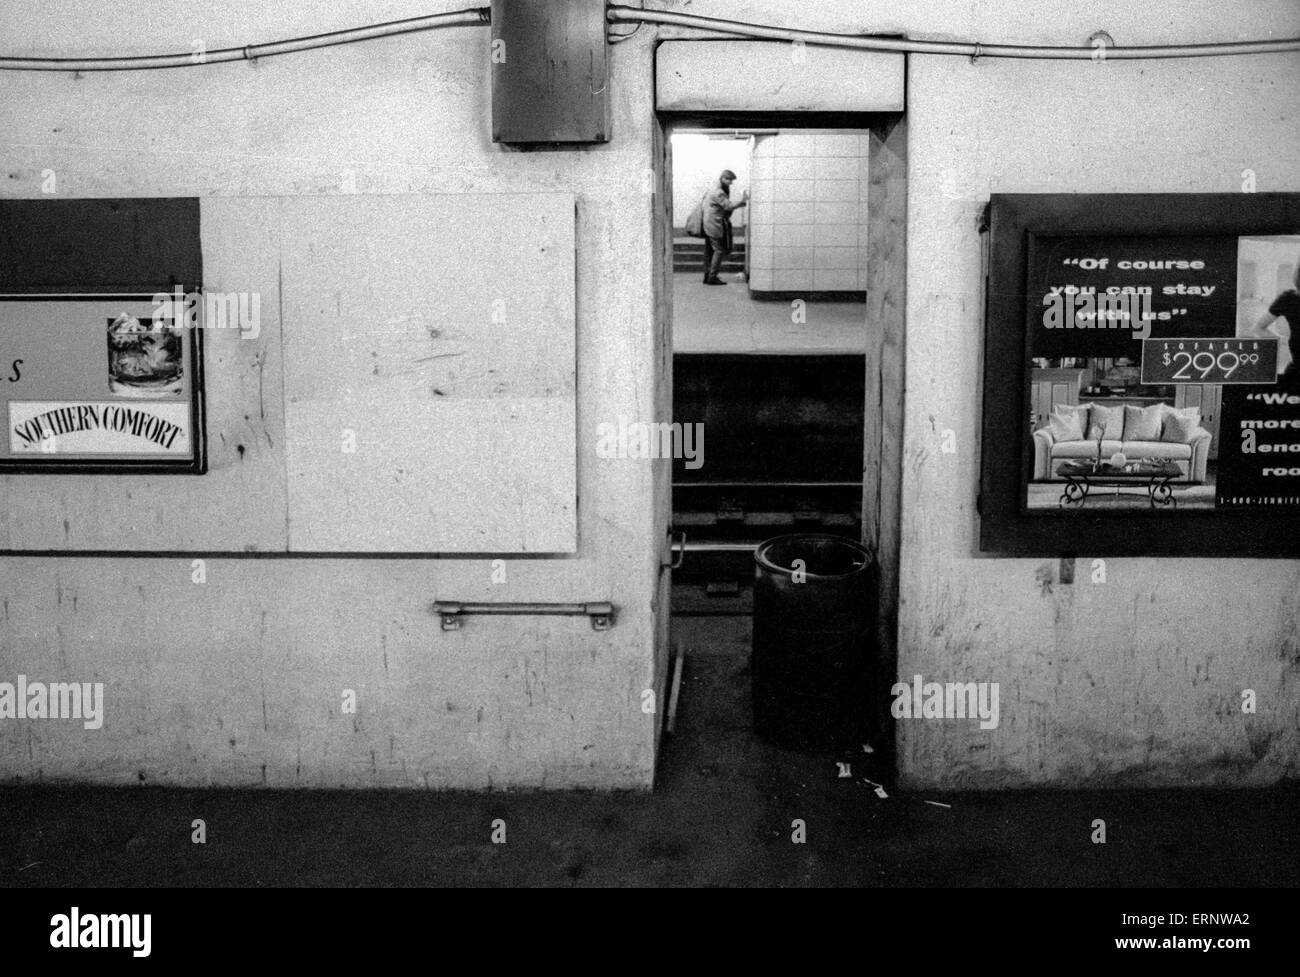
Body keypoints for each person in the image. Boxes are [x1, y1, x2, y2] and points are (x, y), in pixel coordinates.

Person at [1251, 261, 1300, 391]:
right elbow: (1259, 328)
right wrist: (1280, 340)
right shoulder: (1289, 298)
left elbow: (1259, 328)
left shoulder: (1289, 298)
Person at [701, 169, 748, 285]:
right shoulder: (719, 193)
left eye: (731, 180)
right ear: (722, 178)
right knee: (718, 250)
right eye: (729, 180)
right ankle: (712, 277)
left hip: (708, 223)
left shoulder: (713, 190)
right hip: (714, 224)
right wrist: (743, 201)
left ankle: (707, 275)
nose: (731, 183)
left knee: (709, 251)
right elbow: (729, 206)